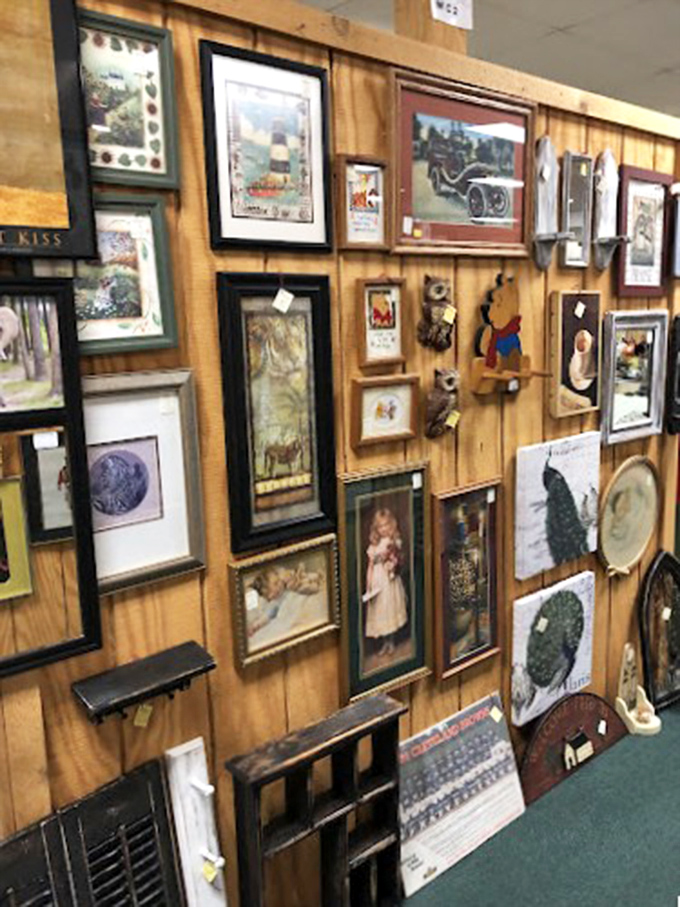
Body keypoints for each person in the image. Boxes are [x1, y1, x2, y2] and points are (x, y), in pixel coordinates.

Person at [365, 508, 409, 657]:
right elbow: (370, 567)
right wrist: (368, 585)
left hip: (389, 581)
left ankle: (391, 641)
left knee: (389, 607)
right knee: (380, 611)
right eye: (380, 526)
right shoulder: (373, 547)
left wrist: (393, 562)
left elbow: (397, 558)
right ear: (376, 529)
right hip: (378, 582)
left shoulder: (393, 542)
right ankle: (385, 642)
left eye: (386, 525)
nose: (383, 529)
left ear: (391, 525)